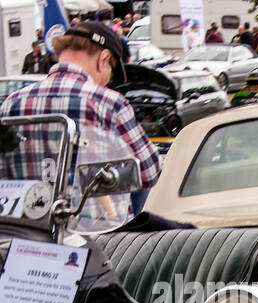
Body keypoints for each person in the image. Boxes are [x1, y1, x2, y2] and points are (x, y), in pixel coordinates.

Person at [0, 22, 161, 215]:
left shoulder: (12, 103)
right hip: (97, 234)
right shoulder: (109, 103)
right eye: (111, 71)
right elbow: (149, 172)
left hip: (31, 233)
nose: (108, 80)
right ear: (104, 58)